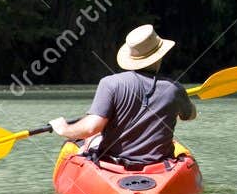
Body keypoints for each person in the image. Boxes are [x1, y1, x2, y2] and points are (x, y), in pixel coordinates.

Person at [51, 24, 196, 167]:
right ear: (159, 56)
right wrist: (178, 104)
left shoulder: (110, 83)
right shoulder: (175, 89)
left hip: (114, 164)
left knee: (86, 141)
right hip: (159, 165)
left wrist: (64, 129)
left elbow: (92, 128)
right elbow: (190, 115)